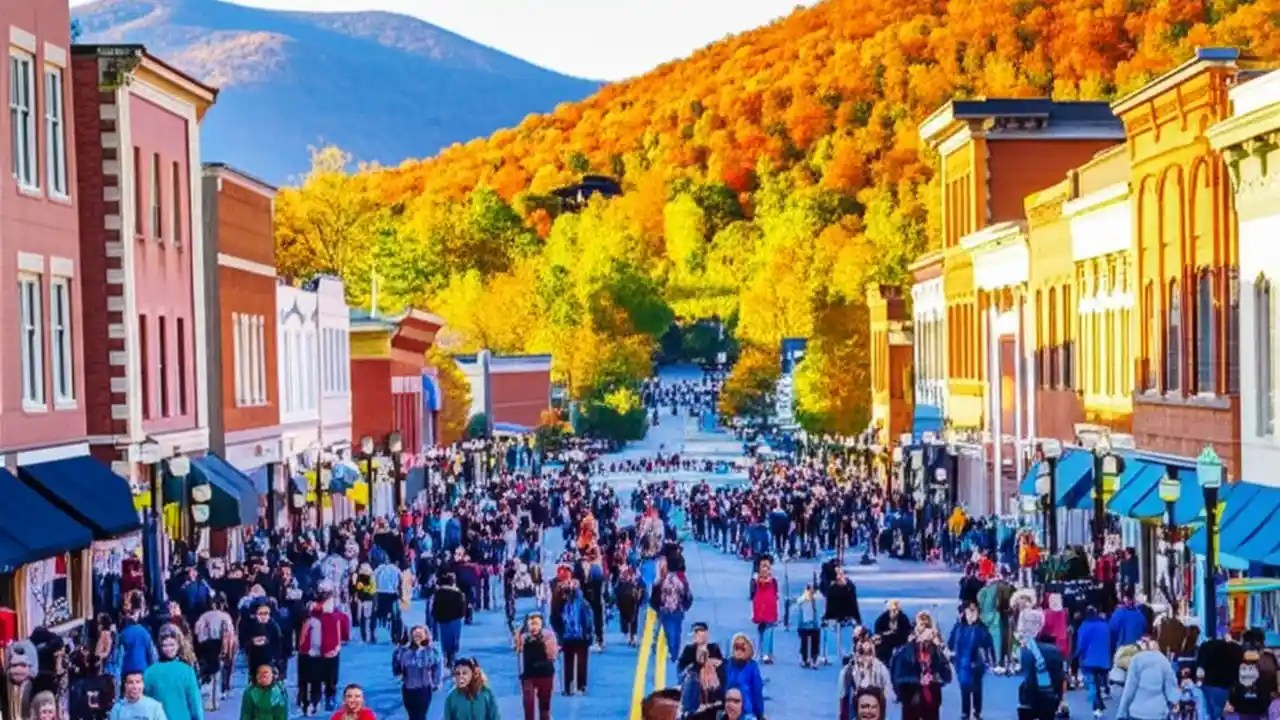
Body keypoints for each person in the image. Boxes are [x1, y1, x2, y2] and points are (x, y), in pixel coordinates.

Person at [1016, 607, 1067, 720]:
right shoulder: (1055, 650)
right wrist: (1061, 700)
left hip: (1029, 697)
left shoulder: (1025, 651)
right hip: (1050, 698)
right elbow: (1061, 678)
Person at [890, 627, 951, 720]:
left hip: (931, 701)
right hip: (911, 700)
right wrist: (918, 679)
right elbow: (898, 677)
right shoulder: (905, 652)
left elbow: (947, 677)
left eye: (931, 635)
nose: (928, 640)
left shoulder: (937, 652)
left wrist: (935, 677)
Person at [142, 628, 203, 720]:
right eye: (165, 646)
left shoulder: (149, 672)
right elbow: (195, 704)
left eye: (171, 645)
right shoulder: (187, 671)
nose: (169, 649)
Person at [947, 603, 994, 720]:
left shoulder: (981, 628)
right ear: (965, 613)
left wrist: (990, 659)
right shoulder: (958, 627)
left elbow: (988, 644)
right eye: (969, 612)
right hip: (962, 662)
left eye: (974, 612)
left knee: (977, 687)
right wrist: (951, 655)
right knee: (964, 687)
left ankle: (976, 711)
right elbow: (951, 643)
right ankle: (965, 712)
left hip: (976, 662)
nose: (971, 615)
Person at [1117, 636, 1179, 720]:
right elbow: (1171, 687)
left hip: (1137, 712)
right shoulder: (1163, 661)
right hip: (1158, 712)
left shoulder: (1136, 660)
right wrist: (1176, 702)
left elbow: (1129, 689)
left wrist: (1121, 712)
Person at [392, 626, 444, 720]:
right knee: (412, 716)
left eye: (420, 635)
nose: (417, 638)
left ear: (425, 636)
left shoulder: (431, 651)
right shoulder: (404, 651)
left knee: (420, 716)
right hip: (408, 689)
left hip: (424, 689)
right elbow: (397, 670)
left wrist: (436, 682)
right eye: (415, 635)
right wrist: (398, 651)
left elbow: (438, 666)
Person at [1073, 606, 1114, 718]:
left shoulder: (1084, 626)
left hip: (1089, 661)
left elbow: (1081, 644)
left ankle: (1097, 706)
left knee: (1092, 684)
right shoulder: (1105, 626)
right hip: (1103, 660)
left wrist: (1075, 655)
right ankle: (1100, 702)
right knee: (1098, 682)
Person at [651, 557, 693, 662]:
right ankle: (672, 650)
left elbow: (685, 593)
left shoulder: (678, 580)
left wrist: (682, 605)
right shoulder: (661, 580)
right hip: (665, 610)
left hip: (677, 610)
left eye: (664, 567)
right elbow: (656, 593)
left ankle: (675, 652)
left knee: (676, 632)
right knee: (669, 633)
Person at [515, 612, 557, 720]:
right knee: (528, 702)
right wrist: (518, 633)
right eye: (531, 624)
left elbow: (552, 655)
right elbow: (517, 648)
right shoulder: (524, 637)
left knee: (544, 705)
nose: (533, 627)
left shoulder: (548, 636)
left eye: (536, 624)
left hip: (545, 674)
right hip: (529, 674)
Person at [839, 639, 891, 720]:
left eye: (869, 653)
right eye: (862, 652)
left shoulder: (881, 669)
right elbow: (843, 694)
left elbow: (887, 692)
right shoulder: (849, 670)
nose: (865, 657)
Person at [723, 633, 765, 720]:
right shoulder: (727, 665)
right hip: (729, 711)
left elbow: (757, 692)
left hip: (746, 712)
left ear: (749, 649)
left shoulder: (752, 667)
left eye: (743, 648)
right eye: (736, 647)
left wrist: (760, 713)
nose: (739, 651)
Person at [748, 557, 779, 664]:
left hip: (770, 606)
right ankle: (761, 652)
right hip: (760, 606)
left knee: (769, 628)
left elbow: (776, 592)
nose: (766, 569)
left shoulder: (773, 580)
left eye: (768, 567)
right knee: (762, 628)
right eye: (763, 566)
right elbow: (752, 593)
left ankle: (768, 653)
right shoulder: (756, 579)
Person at [794, 584, 823, 668]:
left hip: (814, 626)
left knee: (815, 643)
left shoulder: (816, 600)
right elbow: (800, 614)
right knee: (804, 643)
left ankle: (814, 659)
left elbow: (819, 613)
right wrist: (799, 626)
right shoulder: (803, 600)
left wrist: (819, 624)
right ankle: (805, 659)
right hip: (804, 625)